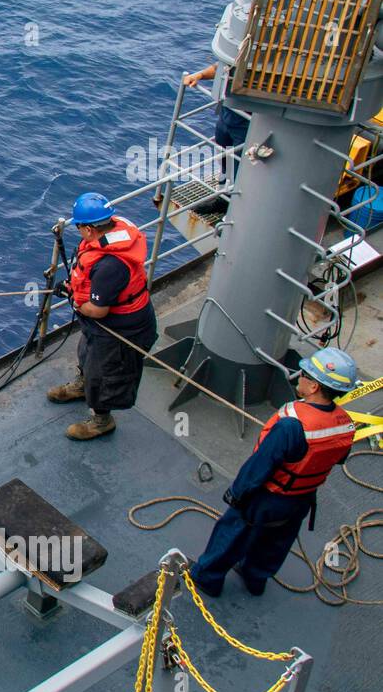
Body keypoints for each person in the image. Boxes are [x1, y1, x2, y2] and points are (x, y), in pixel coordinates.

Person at [192, 347, 359, 598]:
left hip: (268, 496)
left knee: (233, 533)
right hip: (302, 499)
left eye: (305, 374)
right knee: (276, 542)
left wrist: (237, 494)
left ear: (314, 387)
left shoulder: (292, 425)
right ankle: (255, 579)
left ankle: (208, 578)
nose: (299, 376)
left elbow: (261, 465)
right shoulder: (345, 424)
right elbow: (337, 457)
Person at [47, 192, 158, 440]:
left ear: (88, 229)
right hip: (101, 325)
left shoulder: (111, 266)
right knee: (86, 352)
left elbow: (98, 310)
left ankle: (102, 419)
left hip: (121, 328)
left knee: (106, 373)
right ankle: (82, 384)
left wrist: (75, 301)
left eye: (78, 226)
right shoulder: (108, 237)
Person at [183, 63, 248, 190]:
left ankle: (229, 195)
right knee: (223, 152)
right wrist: (200, 75)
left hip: (245, 122)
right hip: (227, 113)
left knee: (237, 162)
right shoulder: (242, 53)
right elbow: (220, 67)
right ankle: (223, 183)